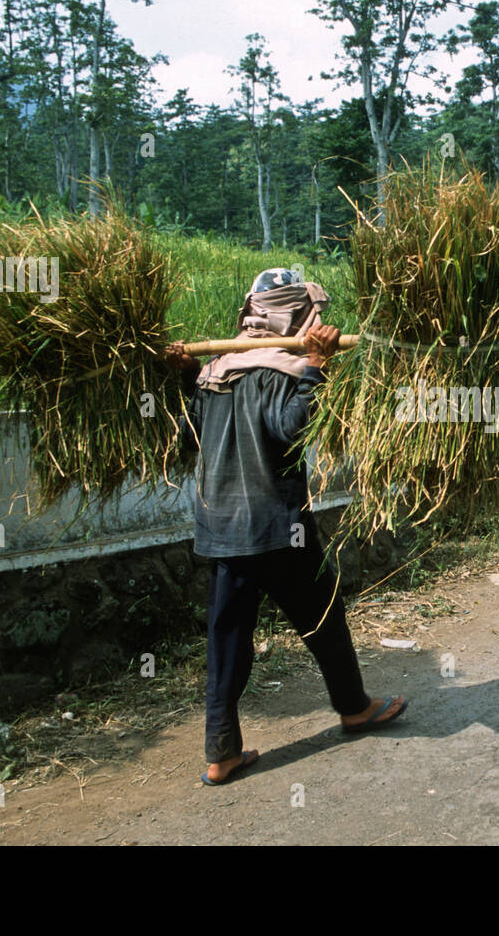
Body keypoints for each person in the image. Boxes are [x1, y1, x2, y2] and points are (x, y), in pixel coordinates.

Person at [164, 268, 406, 786]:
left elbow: (188, 438)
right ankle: (354, 707)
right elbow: (289, 429)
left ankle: (221, 752)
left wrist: (184, 375)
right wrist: (316, 366)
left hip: (221, 529)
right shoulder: (283, 367)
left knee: (226, 638)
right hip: (277, 528)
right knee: (323, 616)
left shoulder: (216, 369)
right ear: (295, 314)